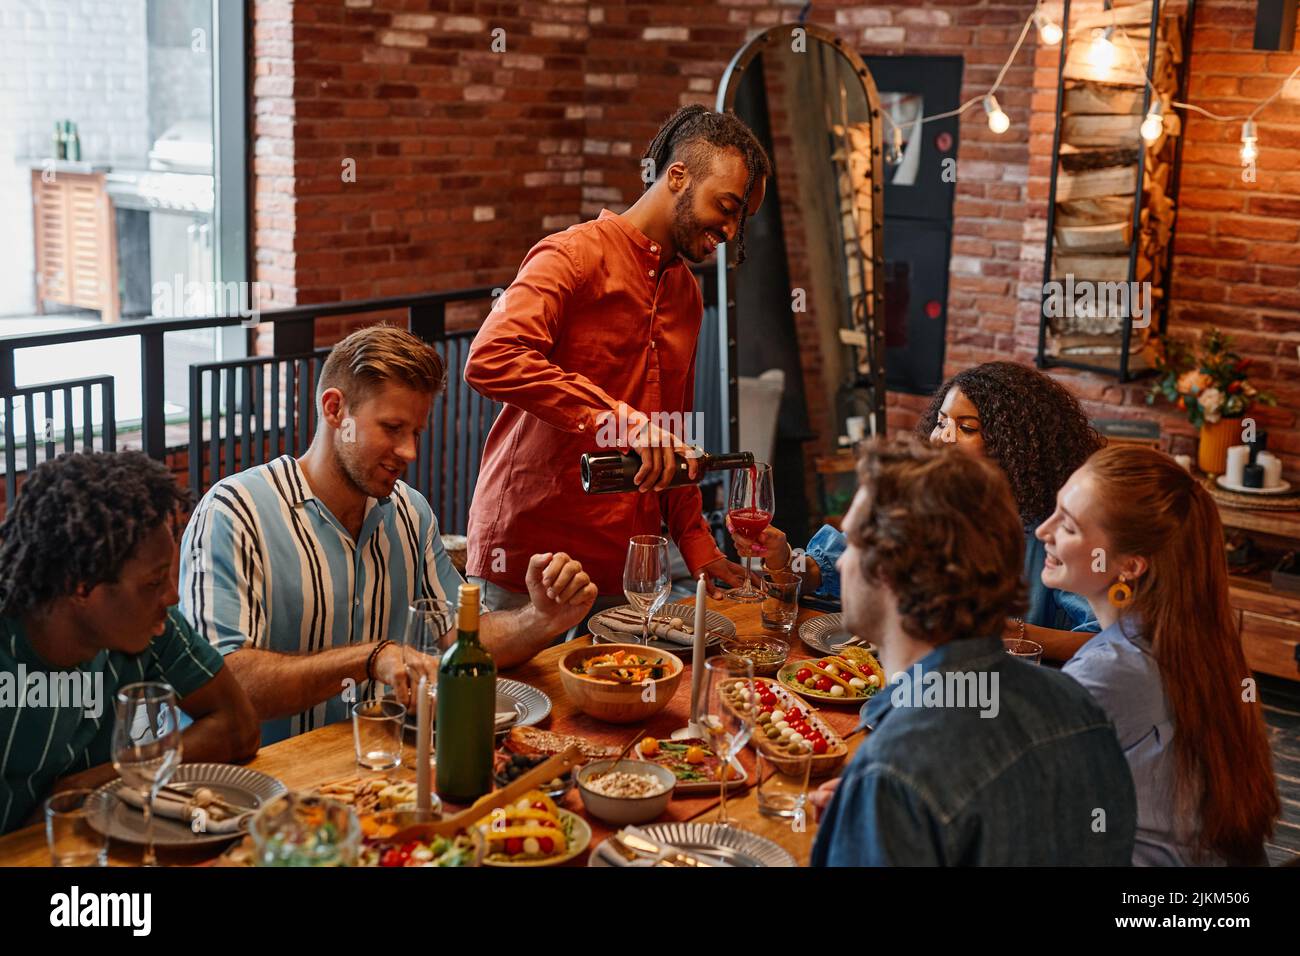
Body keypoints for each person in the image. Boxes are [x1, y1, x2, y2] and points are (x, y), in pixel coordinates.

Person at [180, 324, 598, 745]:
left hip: (383, 775)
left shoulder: (410, 511)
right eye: (392, 428)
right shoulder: (233, 512)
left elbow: (459, 638)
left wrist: (540, 617)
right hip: (270, 789)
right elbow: (223, 687)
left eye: (416, 432)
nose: (410, 452)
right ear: (334, 410)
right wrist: (368, 658)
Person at [462, 105, 771, 613]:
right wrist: (621, 421)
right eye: (727, 206)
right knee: (509, 697)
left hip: (627, 569)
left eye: (742, 219)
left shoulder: (687, 295)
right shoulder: (572, 255)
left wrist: (696, 545)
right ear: (677, 176)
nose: (732, 230)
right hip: (525, 558)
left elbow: (673, 425)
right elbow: (492, 357)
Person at [810, 437, 1136, 866]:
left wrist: (884, 808)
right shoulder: (1078, 706)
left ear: (887, 570)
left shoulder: (894, 769)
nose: (838, 563)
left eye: (851, 542)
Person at [733, 362, 1103, 658]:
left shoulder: (1054, 530)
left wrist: (1007, 634)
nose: (943, 437)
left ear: (1014, 445)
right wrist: (785, 561)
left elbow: (1106, 644)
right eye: (941, 422)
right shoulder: (924, 501)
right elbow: (840, 567)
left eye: (967, 427)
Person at [1038, 445, 1279, 865]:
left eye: (1070, 526)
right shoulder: (1193, 637)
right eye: (1055, 509)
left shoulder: (1112, 669)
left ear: (1130, 566)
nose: (1044, 530)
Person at [0, 452, 259, 834]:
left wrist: (85, 784)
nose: (172, 596)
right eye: (154, 584)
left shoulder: (153, 628)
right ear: (81, 586)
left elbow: (239, 727)